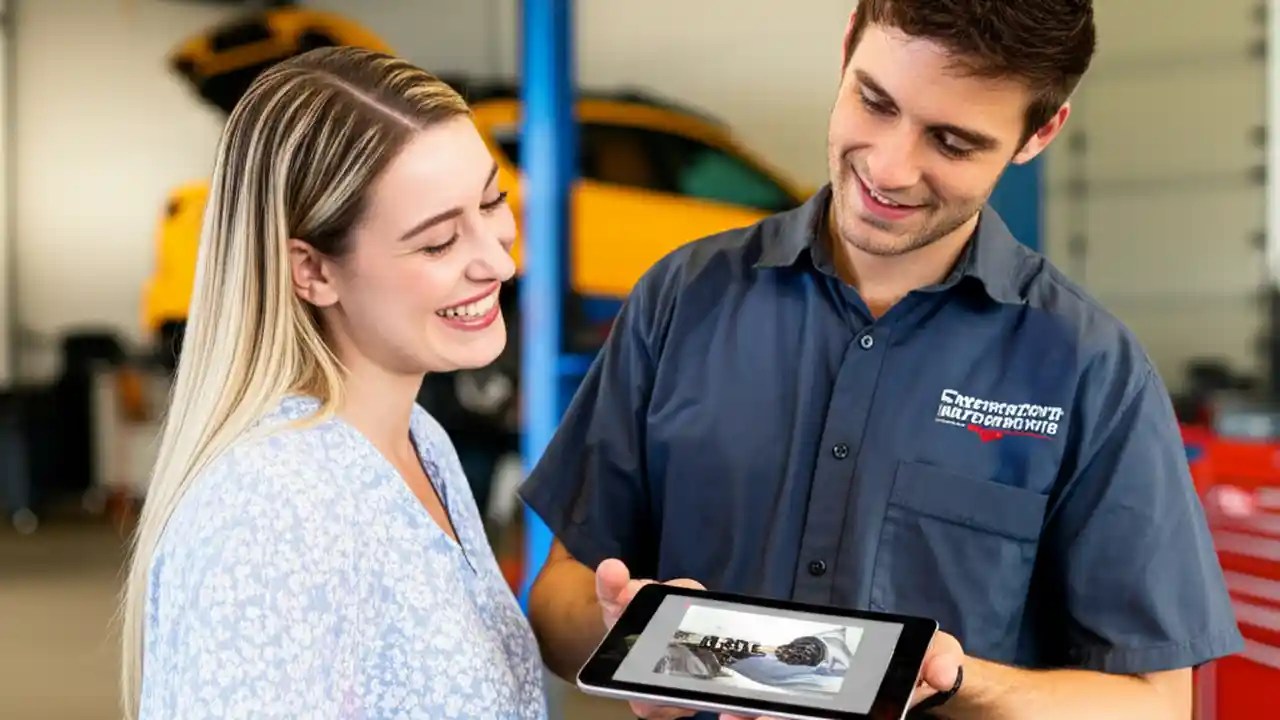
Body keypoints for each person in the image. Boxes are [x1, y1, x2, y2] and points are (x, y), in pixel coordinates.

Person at [519, 2, 1244, 719]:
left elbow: (1153, 704)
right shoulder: (684, 298)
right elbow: (558, 599)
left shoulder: (1092, 371)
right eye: (875, 101)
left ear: (1039, 132)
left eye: (952, 143)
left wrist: (960, 682)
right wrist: (639, 641)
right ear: (847, 47)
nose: (890, 169)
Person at [118, 47, 545, 720]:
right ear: (312, 270)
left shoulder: (417, 438)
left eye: (491, 202)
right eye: (438, 243)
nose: (498, 257)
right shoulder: (270, 513)